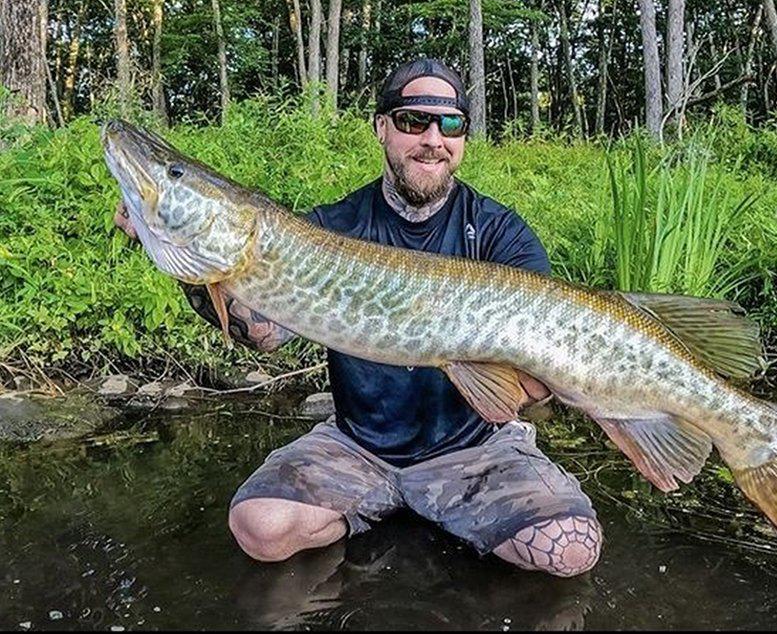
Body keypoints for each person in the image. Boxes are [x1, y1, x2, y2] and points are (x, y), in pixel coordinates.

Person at [114, 58, 603, 577]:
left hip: (475, 450)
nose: (433, 139)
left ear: (462, 138)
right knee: (261, 527)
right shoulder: (331, 228)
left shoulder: (500, 233)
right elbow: (264, 334)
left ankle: (426, 507)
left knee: (570, 549)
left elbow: (531, 386)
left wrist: (535, 387)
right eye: (414, 121)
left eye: (450, 124)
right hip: (360, 448)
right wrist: (190, 269)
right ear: (382, 128)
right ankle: (395, 506)